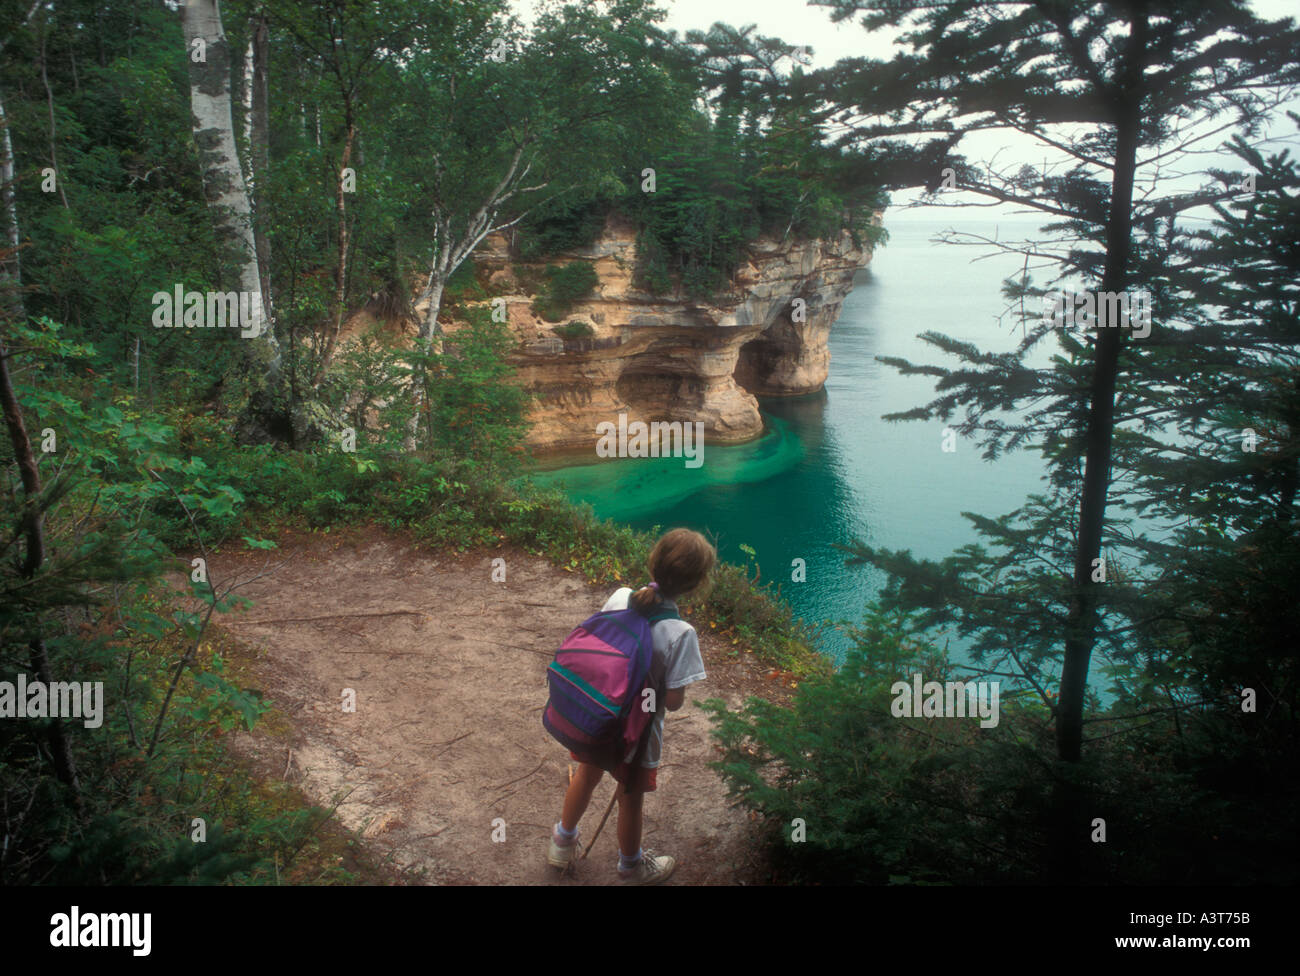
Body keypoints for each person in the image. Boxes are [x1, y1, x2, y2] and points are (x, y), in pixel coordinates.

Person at [546, 528, 715, 884]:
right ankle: (631, 867)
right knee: (630, 799)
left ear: (652, 562)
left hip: (600, 716)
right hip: (636, 736)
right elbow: (673, 701)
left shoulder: (622, 596)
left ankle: (561, 845)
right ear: (696, 584)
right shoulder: (681, 633)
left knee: (586, 776)